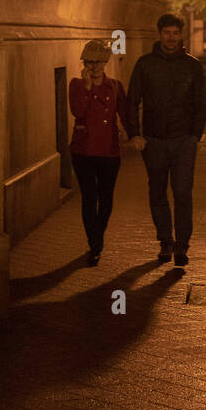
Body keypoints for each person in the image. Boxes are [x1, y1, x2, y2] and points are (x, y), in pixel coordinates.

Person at [126, 14, 206, 267]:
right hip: (154, 141)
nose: (171, 37)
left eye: (175, 33)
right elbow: (132, 101)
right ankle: (166, 241)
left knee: (183, 192)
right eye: (166, 33)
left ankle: (182, 246)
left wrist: (196, 135)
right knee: (157, 192)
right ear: (160, 34)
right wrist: (135, 134)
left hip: (184, 140)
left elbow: (201, 103)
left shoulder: (192, 66)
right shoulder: (145, 64)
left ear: (181, 35)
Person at [69, 39, 129, 266]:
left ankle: (97, 237)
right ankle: (94, 244)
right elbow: (78, 111)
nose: (92, 66)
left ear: (105, 63)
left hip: (109, 150)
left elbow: (124, 113)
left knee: (105, 198)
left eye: (97, 62)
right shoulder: (76, 85)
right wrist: (86, 88)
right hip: (83, 151)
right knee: (89, 197)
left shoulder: (115, 86)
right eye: (88, 61)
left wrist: (135, 135)